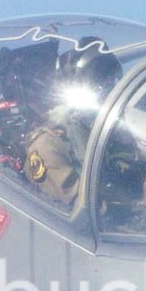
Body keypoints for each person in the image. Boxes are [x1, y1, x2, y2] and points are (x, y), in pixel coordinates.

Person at [24, 37, 123, 215]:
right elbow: (78, 212)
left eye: (108, 78)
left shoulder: (116, 135)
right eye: (98, 78)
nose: (106, 87)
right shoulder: (47, 144)